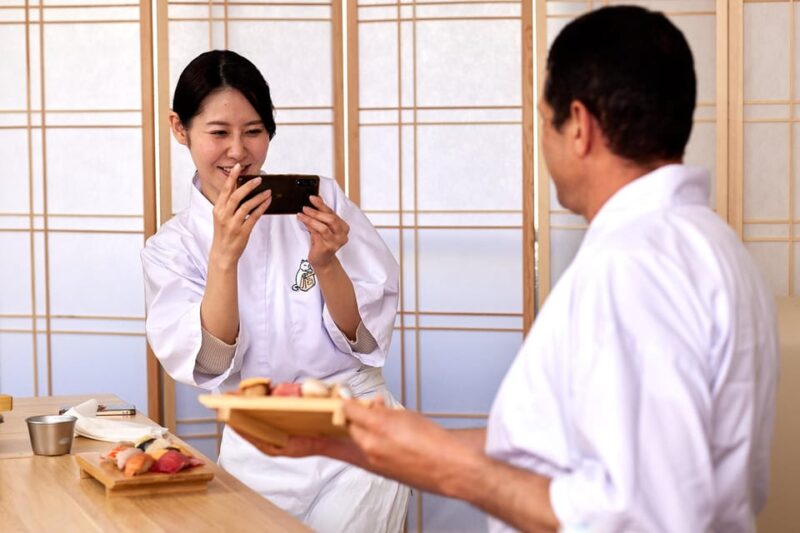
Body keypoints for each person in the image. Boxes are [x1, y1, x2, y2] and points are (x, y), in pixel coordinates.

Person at [231, 6, 779, 532]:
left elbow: (636, 516)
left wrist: (452, 470)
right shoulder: (713, 243)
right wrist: (360, 442)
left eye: (544, 121)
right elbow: (577, 448)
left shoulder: (635, 267)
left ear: (580, 127)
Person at [141, 49, 409, 532]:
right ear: (180, 129)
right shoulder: (172, 246)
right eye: (219, 133)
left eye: (254, 131)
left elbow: (364, 337)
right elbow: (209, 362)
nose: (239, 151)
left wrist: (326, 263)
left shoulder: (320, 201)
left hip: (354, 436)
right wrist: (224, 254)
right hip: (257, 444)